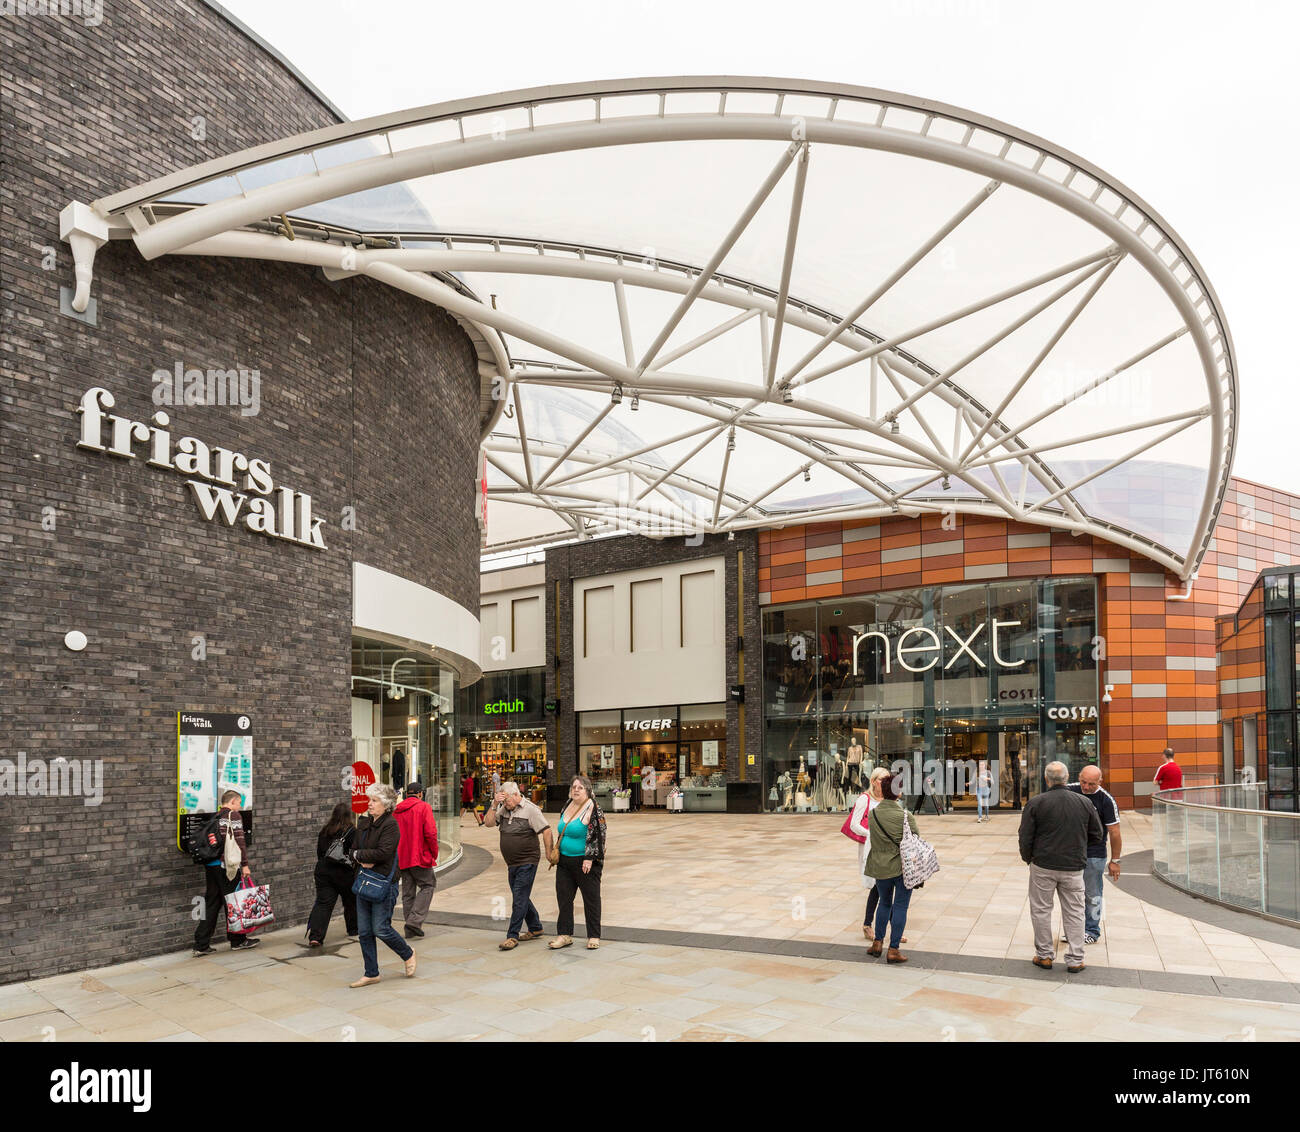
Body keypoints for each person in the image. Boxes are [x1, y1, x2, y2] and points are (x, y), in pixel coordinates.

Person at [1018, 760, 1103, 974]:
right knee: (1075, 912)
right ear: (1066, 778)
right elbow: (1097, 835)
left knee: (1041, 911)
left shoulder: (1036, 803)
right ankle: (1075, 959)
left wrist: (1028, 858)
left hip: (1043, 865)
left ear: (1046, 779)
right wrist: (1079, 849)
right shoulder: (1084, 803)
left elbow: (1025, 836)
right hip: (1073, 867)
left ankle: (1045, 955)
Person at [350, 783, 416, 988]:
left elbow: (383, 853)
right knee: (364, 931)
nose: (369, 804)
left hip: (383, 883)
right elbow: (353, 849)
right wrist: (361, 857)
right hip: (364, 880)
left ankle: (408, 953)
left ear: (386, 804)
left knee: (381, 928)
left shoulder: (390, 825)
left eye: (374, 801)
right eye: (370, 800)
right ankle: (371, 972)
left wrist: (362, 855)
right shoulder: (364, 823)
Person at [484, 780, 555, 950]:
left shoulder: (531, 809)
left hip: (527, 861)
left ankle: (512, 935)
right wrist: (495, 803)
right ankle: (536, 927)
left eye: (507, 800)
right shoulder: (504, 808)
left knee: (519, 897)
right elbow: (488, 823)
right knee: (521, 896)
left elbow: (546, 830)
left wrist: (548, 852)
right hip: (512, 863)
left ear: (516, 795)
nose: (505, 803)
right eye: (503, 800)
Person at [193, 790, 259, 955]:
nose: (240, 806)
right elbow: (240, 841)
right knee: (233, 902)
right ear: (232, 802)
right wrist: (244, 865)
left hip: (211, 865)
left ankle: (201, 945)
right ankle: (238, 940)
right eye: (239, 803)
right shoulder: (233, 816)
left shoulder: (215, 817)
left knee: (212, 903)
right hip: (226, 866)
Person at [864, 773, 919, 964]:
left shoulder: (873, 814)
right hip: (903, 869)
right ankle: (893, 949)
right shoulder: (905, 816)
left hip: (880, 867)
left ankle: (877, 943)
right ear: (898, 793)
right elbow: (915, 840)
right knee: (900, 906)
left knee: (884, 904)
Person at [549, 775, 607, 951]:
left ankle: (594, 936)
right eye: (574, 786)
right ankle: (564, 935)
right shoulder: (567, 805)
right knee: (564, 899)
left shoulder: (593, 807)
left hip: (585, 862)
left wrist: (590, 858)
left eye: (580, 787)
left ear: (587, 790)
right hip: (565, 861)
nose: (576, 789)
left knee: (591, 900)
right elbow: (562, 831)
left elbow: (600, 835)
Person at [849, 767, 905, 944]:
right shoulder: (864, 799)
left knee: (884, 889)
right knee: (878, 889)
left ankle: (889, 930)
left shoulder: (890, 799)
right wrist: (871, 833)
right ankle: (869, 925)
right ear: (873, 781)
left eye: (887, 779)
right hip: (871, 848)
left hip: (889, 850)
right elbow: (853, 824)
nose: (885, 782)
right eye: (882, 779)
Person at [1070, 765, 1122, 945]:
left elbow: (1115, 832)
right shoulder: (1070, 790)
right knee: (1072, 895)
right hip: (1071, 853)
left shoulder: (1106, 800)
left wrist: (1115, 861)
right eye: (1083, 782)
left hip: (1094, 855)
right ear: (1079, 777)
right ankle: (1075, 930)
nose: (1085, 787)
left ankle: (1092, 930)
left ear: (1100, 782)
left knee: (1093, 894)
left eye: (1091, 784)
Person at [306, 802, 358, 946]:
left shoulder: (325, 830)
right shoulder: (352, 831)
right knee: (350, 902)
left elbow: (320, 853)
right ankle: (353, 929)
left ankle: (315, 936)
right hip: (344, 873)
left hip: (323, 872)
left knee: (323, 904)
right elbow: (353, 854)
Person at [394, 781, 439, 939]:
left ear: (407, 793)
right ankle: (414, 922)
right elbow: (431, 833)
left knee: (408, 893)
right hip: (419, 855)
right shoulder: (423, 807)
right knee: (428, 885)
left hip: (402, 856)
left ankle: (410, 927)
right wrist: (434, 852)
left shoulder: (397, 810)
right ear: (420, 793)